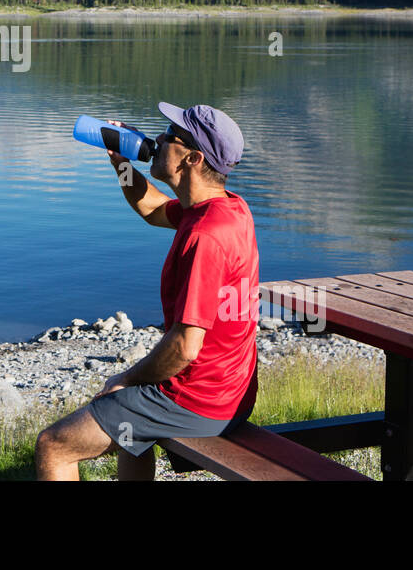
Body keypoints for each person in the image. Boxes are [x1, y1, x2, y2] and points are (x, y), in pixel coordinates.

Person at [35, 102, 259, 481]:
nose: (156, 139)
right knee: (129, 429)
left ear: (192, 157)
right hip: (228, 390)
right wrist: (121, 163)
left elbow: (186, 346)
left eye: (169, 134)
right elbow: (152, 209)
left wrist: (129, 379)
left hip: (197, 399)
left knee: (54, 445)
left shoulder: (207, 236)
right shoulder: (225, 209)